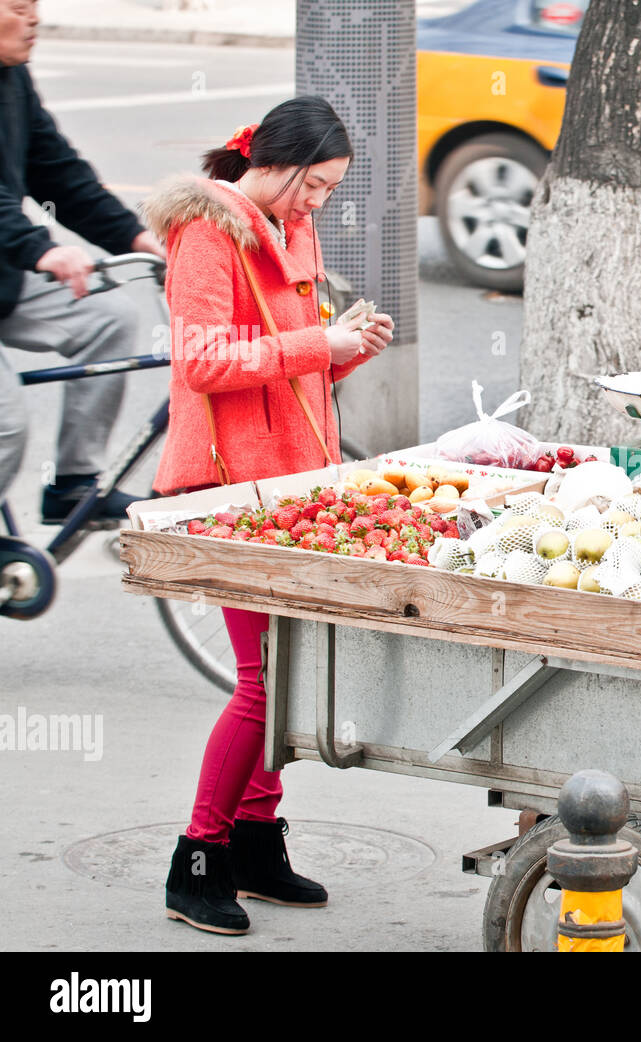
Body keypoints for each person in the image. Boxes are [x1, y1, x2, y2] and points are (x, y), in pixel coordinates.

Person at [141, 96, 394, 935]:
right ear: (278, 165)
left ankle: (254, 844)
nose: (318, 202)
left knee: (283, 677)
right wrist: (320, 345)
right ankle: (198, 859)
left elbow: (292, 369)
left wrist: (343, 349)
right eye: (315, 186)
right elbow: (203, 361)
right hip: (231, 492)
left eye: (328, 190)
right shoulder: (207, 232)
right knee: (260, 685)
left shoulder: (294, 230)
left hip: (292, 486)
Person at [0, 0, 166, 517]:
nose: (34, 20)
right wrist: (41, 248)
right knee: (5, 423)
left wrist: (140, 239)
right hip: (14, 258)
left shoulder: (13, 79)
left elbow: (59, 173)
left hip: (5, 275)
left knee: (110, 317)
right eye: (19, 6)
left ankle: (73, 483)